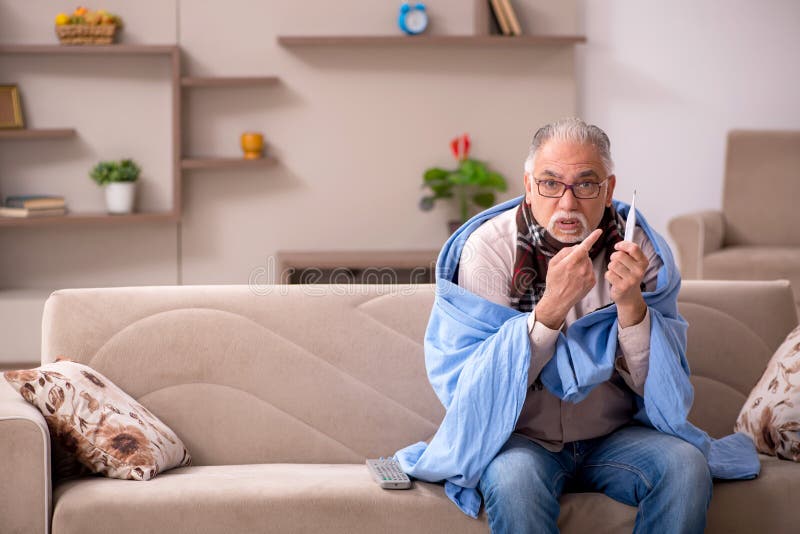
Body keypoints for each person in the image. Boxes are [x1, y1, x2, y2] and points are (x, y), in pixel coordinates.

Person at [454, 118, 712, 533]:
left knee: (685, 467)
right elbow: (477, 391)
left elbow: (664, 391)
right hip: (521, 439)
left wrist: (631, 307)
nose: (568, 204)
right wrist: (552, 308)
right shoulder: (489, 250)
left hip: (613, 434)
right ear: (528, 184)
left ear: (609, 190)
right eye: (551, 183)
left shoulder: (638, 249)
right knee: (512, 482)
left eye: (586, 185)